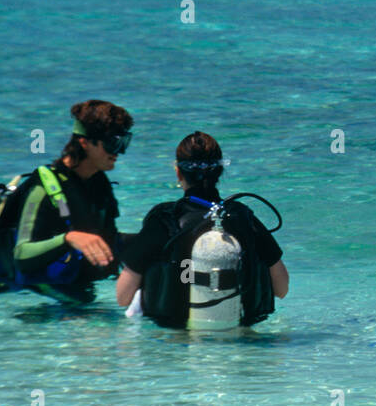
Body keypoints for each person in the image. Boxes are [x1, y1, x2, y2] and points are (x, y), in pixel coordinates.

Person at [116, 132, 287, 329]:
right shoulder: (243, 217)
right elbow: (281, 289)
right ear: (220, 172)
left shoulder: (164, 219)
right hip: (240, 341)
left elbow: (123, 296)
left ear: (178, 172)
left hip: (172, 343)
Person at [10, 99, 133, 304]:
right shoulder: (44, 187)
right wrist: (68, 239)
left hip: (81, 296)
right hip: (42, 303)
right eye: (112, 143)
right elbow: (21, 256)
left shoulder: (99, 183)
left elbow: (110, 240)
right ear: (85, 142)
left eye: (124, 142)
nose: (118, 152)